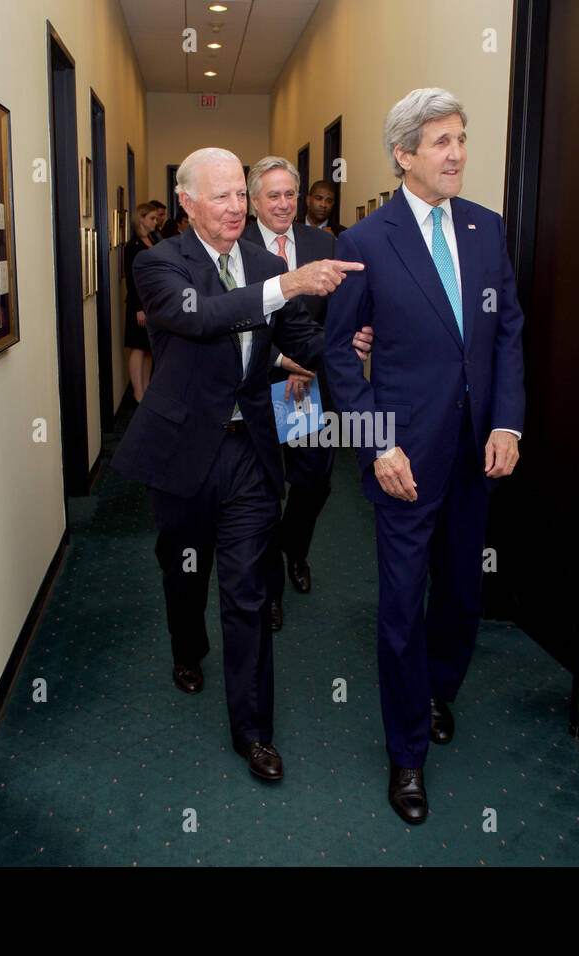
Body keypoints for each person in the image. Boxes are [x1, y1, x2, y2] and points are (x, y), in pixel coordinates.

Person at [109, 147, 368, 782]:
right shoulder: (159, 263)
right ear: (188, 204)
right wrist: (290, 284)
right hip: (184, 451)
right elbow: (202, 319)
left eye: (239, 196)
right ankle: (187, 646)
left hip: (250, 447)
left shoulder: (258, 261)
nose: (235, 207)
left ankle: (254, 731)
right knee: (184, 568)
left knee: (249, 591)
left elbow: (296, 337)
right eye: (221, 196)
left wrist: (347, 347)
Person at [324, 88, 525, 824]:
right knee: (403, 607)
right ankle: (406, 752)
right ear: (404, 154)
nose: (458, 153)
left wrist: (508, 423)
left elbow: (507, 335)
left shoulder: (486, 229)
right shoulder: (366, 243)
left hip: (477, 453)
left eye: (462, 138)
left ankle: (439, 689)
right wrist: (377, 443)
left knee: (463, 594)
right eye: (441, 142)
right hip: (402, 456)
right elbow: (341, 355)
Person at [247, 156, 338, 632]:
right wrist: (285, 361)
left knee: (313, 483)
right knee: (262, 492)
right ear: (254, 201)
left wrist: (315, 362)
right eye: (272, 195)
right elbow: (237, 323)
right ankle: (269, 592)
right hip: (260, 388)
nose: (283, 204)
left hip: (310, 391)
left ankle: (295, 551)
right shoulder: (236, 247)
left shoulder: (322, 243)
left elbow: (336, 312)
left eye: (289, 195)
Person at [122, 204, 162, 402]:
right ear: (141, 219)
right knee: (138, 348)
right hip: (140, 304)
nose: (156, 222)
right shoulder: (133, 246)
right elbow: (132, 279)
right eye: (152, 218)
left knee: (148, 348)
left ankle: (146, 388)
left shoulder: (153, 239)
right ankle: (137, 392)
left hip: (152, 301)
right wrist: (139, 308)